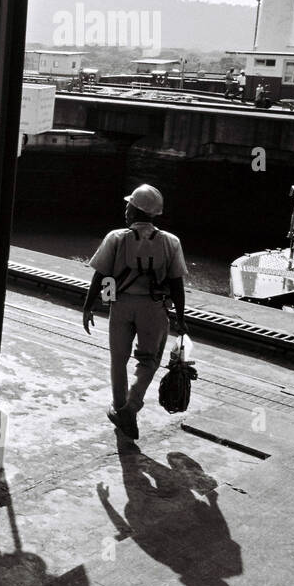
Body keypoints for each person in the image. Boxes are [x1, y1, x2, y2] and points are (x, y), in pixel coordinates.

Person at [82, 184, 188, 440]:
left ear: (135, 210)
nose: (125, 209)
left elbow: (100, 275)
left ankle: (120, 409)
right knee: (149, 360)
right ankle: (132, 406)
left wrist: (88, 306)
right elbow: (177, 284)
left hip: (121, 306)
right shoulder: (171, 242)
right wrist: (181, 319)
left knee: (118, 360)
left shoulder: (116, 238)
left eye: (128, 205)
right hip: (154, 308)